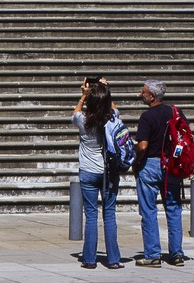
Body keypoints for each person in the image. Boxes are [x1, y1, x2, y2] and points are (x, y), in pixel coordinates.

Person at [130, 80, 187, 267]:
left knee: (148, 211)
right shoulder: (175, 112)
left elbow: (143, 145)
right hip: (172, 165)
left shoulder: (147, 117)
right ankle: (177, 254)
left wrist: (136, 160)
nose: (141, 94)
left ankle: (153, 254)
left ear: (152, 96)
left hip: (151, 165)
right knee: (173, 209)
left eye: (143, 92)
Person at [70, 77, 124, 269]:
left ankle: (90, 259)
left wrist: (83, 96)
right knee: (110, 215)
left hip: (88, 171)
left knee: (91, 215)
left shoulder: (82, 120)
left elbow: (74, 113)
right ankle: (114, 259)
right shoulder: (112, 119)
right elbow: (114, 108)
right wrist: (106, 89)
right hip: (108, 171)